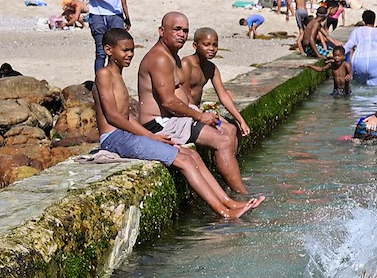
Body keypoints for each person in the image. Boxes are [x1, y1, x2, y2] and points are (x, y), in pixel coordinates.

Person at [94, 28, 261, 219]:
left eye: (132, 50)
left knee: (192, 155)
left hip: (125, 136)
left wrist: (151, 136)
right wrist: (150, 136)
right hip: (114, 138)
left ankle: (229, 202)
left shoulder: (117, 75)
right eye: (125, 50)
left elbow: (126, 116)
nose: (130, 54)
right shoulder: (104, 74)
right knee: (185, 161)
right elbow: (113, 117)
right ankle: (224, 212)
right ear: (108, 50)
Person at [139, 11, 249, 197]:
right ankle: (241, 194)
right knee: (222, 141)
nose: (181, 34)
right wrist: (199, 115)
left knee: (229, 129)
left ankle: (231, 184)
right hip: (158, 123)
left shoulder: (172, 56)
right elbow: (168, 101)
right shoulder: (160, 58)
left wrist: (238, 120)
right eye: (177, 29)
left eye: (185, 31)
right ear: (161, 31)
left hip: (175, 117)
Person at [178, 28, 253, 147]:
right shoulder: (186, 64)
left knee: (235, 127)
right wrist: (201, 114)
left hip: (199, 111)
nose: (212, 49)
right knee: (229, 129)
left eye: (215, 45)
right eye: (206, 45)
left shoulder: (211, 68)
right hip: (187, 112)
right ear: (195, 45)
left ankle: (231, 157)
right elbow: (185, 94)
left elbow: (223, 96)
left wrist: (241, 120)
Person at [344, 10, 377, 86]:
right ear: (374, 20)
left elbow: (348, 46)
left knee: (358, 87)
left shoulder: (357, 31)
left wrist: (336, 54)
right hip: (376, 63)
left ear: (363, 20)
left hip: (359, 63)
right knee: (374, 90)